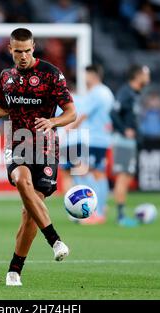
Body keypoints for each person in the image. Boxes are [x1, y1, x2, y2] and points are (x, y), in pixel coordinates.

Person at [0, 28, 76, 286]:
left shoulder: (51, 74)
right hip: (17, 142)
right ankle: (55, 240)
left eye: (27, 51)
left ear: (34, 48)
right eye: (17, 51)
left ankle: (14, 270)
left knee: (29, 214)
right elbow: (2, 107)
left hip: (45, 146)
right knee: (21, 180)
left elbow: (71, 113)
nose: (22, 56)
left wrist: (53, 121)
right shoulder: (6, 76)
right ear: (10, 49)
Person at [71, 65, 114, 225]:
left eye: (86, 75)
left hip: (94, 138)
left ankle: (97, 212)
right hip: (101, 138)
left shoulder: (97, 93)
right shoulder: (106, 92)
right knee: (95, 173)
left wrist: (69, 128)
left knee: (87, 173)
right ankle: (99, 209)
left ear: (93, 75)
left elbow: (83, 115)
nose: (84, 78)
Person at [110, 65, 151, 227]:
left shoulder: (135, 94)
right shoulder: (126, 92)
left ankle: (121, 214)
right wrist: (124, 129)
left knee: (126, 177)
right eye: (146, 74)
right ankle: (120, 216)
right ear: (137, 76)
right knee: (123, 176)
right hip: (123, 141)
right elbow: (113, 113)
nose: (149, 78)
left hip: (130, 142)